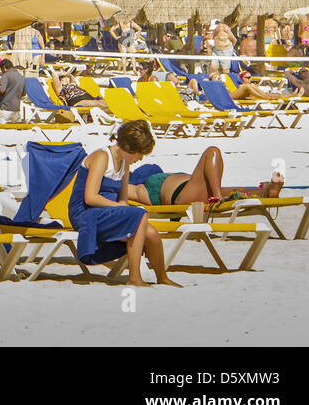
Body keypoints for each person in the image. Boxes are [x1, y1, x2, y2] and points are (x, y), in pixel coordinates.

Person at [76, 121, 179, 287]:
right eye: (139, 153)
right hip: (87, 213)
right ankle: (134, 278)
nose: (141, 158)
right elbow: (90, 197)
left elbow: (122, 199)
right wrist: (124, 210)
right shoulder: (102, 157)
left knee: (151, 233)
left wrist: (124, 209)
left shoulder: (125, 164)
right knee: (139, 215)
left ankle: (162, 277)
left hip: (107, 212)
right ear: (128, 148)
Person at [128, 145, 285, 209]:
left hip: (193, 190)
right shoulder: (135, 186)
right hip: (183, 194)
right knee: (213, 152)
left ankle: (266, 191)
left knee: (237, 189)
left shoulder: (140, 180)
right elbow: (118, 190)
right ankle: (218, 198)